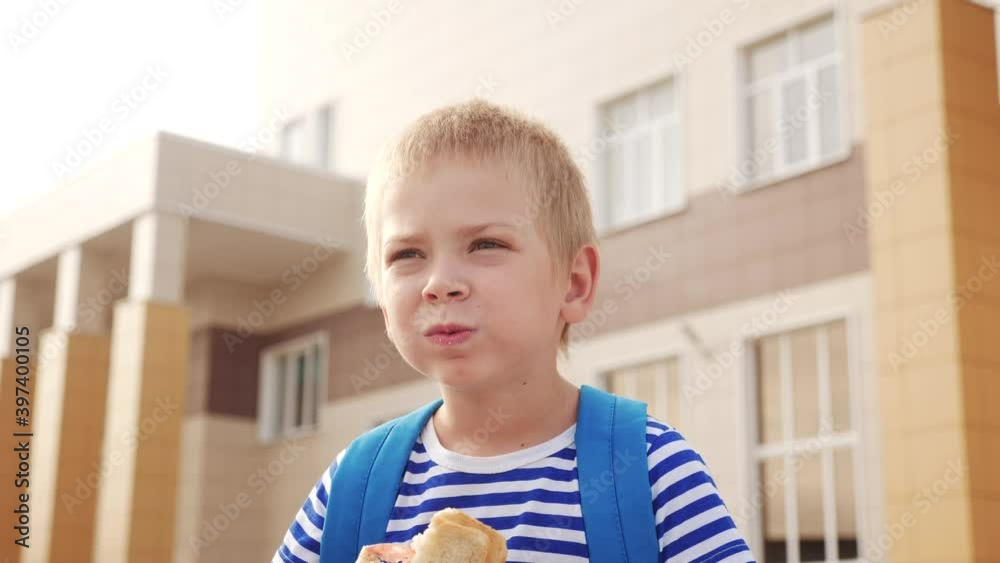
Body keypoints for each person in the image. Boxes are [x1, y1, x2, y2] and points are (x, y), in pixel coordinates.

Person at [272, 99, 755, 562]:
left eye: (485, 244)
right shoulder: (352, 487)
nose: (439, 284)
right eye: (407, 255)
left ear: (574, 283)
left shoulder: (649, 470)